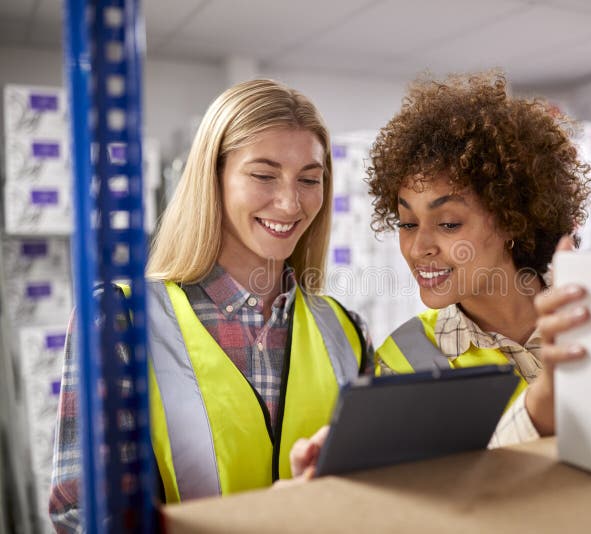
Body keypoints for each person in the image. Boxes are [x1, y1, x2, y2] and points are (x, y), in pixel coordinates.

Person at [49, 79, 373, 531]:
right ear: (212, 176)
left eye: (310, 179)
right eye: (263, 175)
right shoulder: (118, 322)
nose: (290, 201)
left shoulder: (347, 331)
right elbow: (83, 515)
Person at [290, 72, 591, 476]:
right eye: (407, 223)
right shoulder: (404, 359)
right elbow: (442, 494)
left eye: (448, 224)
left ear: (513, 220)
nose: (418, 249)